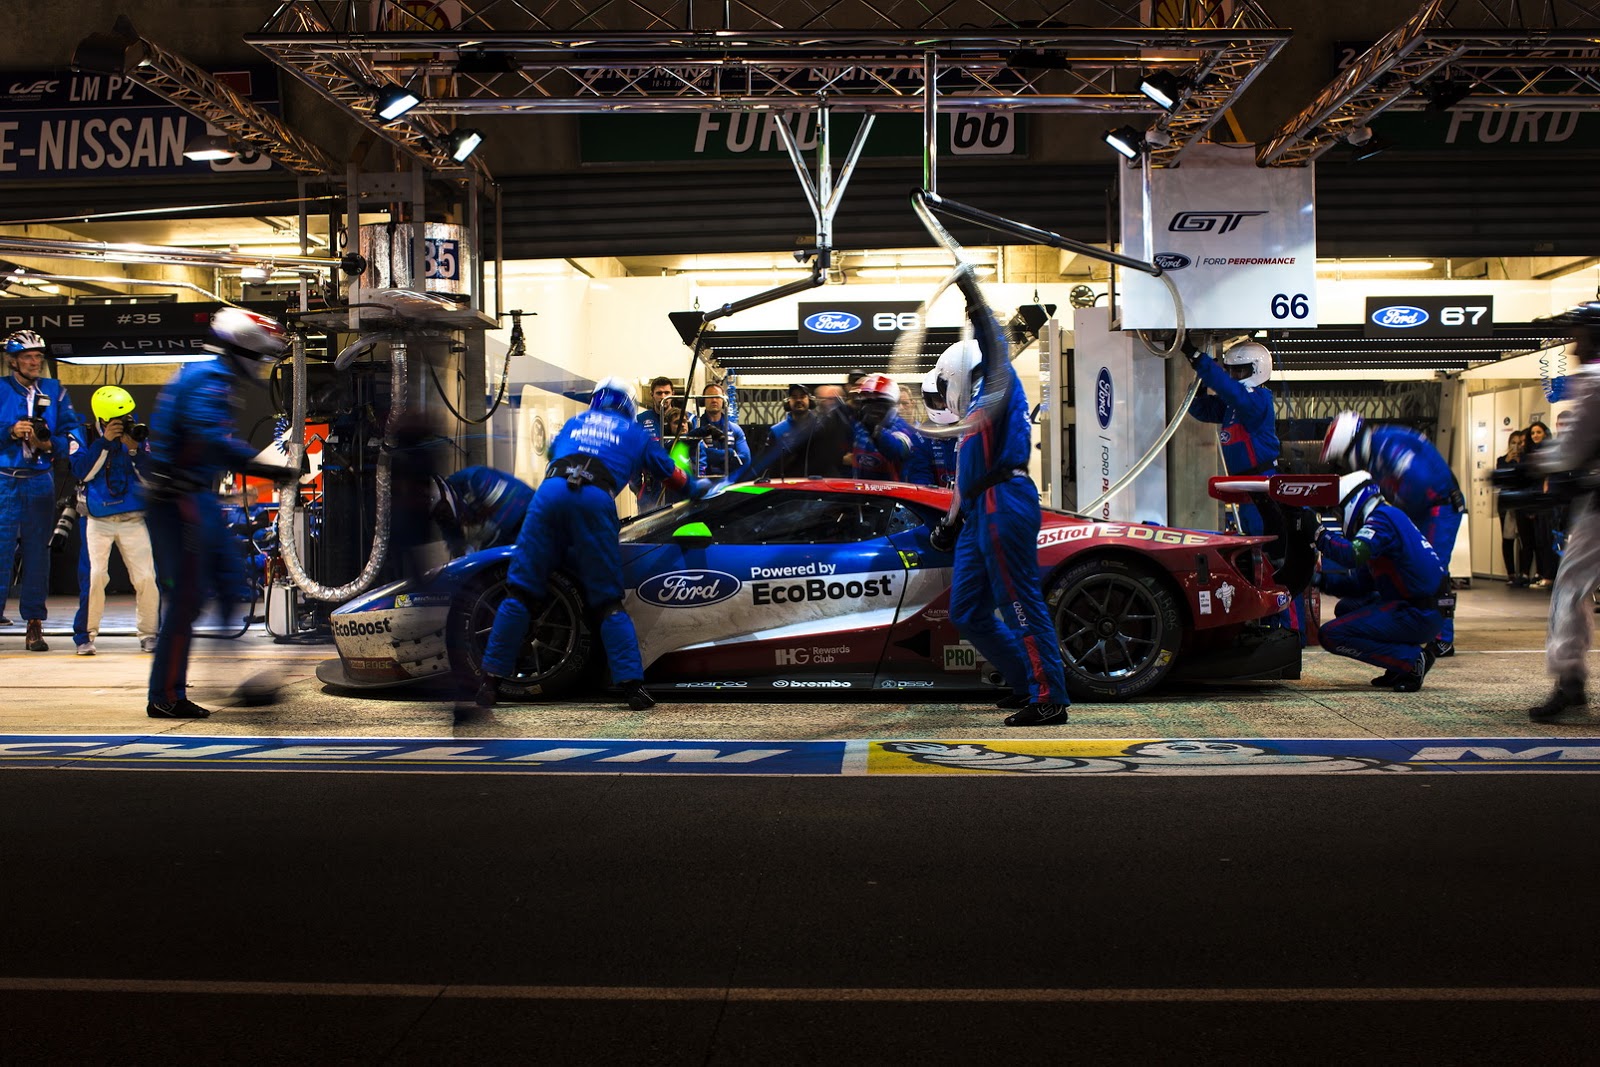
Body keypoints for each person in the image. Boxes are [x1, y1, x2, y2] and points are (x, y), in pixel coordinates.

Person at [474, 376, 710, 714]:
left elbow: (556, 456)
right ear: (628, 406)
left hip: (550, 495)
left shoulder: (573, 422)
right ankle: (632, 687)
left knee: (522, 592)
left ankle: (489, 683)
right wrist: (698, 489)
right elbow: (671, 473)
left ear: (598, 399)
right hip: (595, 499)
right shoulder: (634, 433)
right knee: (607, 602)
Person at [144, 308, 298, 719]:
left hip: (198, 498)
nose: (263, 366)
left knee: (232, 586)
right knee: (186, 599)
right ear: (244, 349)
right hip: (178, 502)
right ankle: (166, 695)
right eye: (262, 357)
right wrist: (266, 469)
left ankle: (227, 675)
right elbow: (209, 438)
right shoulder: (207, 380)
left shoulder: (215, 377)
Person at [927, 310, 1070, 728]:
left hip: (1004, 501)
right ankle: (1027, 683)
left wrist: (977, 308)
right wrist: (952, 523)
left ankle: (1049, 698)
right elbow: (964, 482)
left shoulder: (997, 389)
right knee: (967, 611)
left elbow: (997, 351)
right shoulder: (974, 413)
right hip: (979, 510)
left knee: (1020, 601)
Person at [1322, 411, 1466, 657]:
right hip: (1421, 508)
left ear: (1351, 447)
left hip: (1437, 507)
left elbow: (1417, 484)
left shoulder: (1389, 447)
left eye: (1344, 457)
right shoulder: (1380, 447)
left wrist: (1395, 521)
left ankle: (1443, 638)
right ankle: (1403, 624)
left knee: (1434, 572)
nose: (1348, 464)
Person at [1524, 304, 1600, 721]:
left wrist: (1533, 465)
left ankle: (1570, 682)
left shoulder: (1593, 380)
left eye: (1578, 336)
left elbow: (1570, 448)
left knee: (1570, 589)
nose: (1573, 346)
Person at [1313, 471, 1447, 692]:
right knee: (1346, 608)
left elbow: (1352, 554)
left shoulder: (1382, 520)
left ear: (1353, 501)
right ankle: (1398, 664)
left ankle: (1410, 660)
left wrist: (1319, 535)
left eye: (1338, 511)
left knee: (1331, 635)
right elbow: (1360, 584)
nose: (1338, 517)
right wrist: (1320, 581)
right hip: (1422, 608)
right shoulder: (1389, 518)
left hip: (1418, 611)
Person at [0, 329, 83, 653]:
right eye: (27, 357)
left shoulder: (54, 390)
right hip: (4, 477)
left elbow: (73, 433)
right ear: (13, 361)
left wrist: (48, 443)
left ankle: (34, 623)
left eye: (37, 357)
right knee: (1, 552)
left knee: (37, 553)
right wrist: (8, 431)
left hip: (39, 478)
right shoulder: (1, 389)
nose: (34, 362)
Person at [69, 386, 159, 656]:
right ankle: (85, 636)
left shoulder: (136, 434)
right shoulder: (82, 434)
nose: (122, 423)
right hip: (98, 518)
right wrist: (105, 443)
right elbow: (82, 473)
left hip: (133, 517)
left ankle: (150, 633)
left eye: (127, 416)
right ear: (103, 418)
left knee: (146, 578)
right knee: (95, 577)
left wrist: (134, 452)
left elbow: (151, 478)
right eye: (116, 420)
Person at [1183, 338, 1279, 535]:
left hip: (1262, 486)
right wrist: (1200, 388)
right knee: (1251, 541)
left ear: (1257, 369)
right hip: (1247, 488)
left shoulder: (1257, 401)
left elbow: (1232, 391)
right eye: (1231, 371)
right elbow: (1202, 410)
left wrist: (1198, 359)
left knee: (1263, 540)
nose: (1234, 376)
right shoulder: (1234, 406)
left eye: (1240, 371)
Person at [431, 464, 534, 557]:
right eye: (437, 515)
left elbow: (506, 508)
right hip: (507, 530)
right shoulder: (445, 516)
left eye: (441, 510)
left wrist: (484, 545)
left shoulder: (475, 477)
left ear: (445, 494)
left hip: (526, 511)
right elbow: (455, 545)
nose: (442, 516)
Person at [847, 373, 914, 481]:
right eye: (868, 402)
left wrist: (876, 432)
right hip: (861, 492)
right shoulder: (859, 425)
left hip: (891, 494)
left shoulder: (903, 427)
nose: (872, 408)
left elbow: (898, 450)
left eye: (879, 403)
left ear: (891, 405)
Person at [906, 365, 961, 488]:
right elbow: (919, 475)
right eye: (937, 399)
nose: (944, 404)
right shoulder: (923, 435)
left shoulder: (974, 429)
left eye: (946, 397)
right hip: (936, 502)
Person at [1521, 419, 1560, 587]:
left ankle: (1551, 575)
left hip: (1548, 499)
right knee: (1539, 540)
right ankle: (1544, 574)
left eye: (1539, 432)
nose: (1535, 435)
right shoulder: (1529, 453)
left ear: (1545, 433)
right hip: (1534, 498)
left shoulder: (1551, 450)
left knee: (1548, 538)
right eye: (1533, 433)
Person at [632, 376, 677, 514]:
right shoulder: (641, 420)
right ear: (652, 395)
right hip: (650, 487)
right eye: (659, 393)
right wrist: (638, 489)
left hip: (677, 484)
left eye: (666, 393)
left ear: (673, 394)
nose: (663, 396)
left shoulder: (684, 418)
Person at [690, 381, 749, 480]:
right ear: (702, 401)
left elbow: (745, 459)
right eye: (710, 397)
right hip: (702, 483)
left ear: (724, 401)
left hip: (728, 484)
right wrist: (730, 454)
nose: (714, 400)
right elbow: (693, 456)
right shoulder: (695, 426)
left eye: (717, 397)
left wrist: (711, 455)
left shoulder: (735, 429)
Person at [1497, 429, 1532, 585]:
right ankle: (1510, 573)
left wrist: (1519, 464)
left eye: (1519, 443)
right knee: (1507, 538)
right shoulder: (1502, 460)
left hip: (1522, 502)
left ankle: (1524, 573)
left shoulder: (1526, 460)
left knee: (1526, 538)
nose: (1516, 446)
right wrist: (1507, 463)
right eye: (1513, 443)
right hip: (1506, 503)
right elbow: (1501, 480)